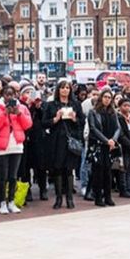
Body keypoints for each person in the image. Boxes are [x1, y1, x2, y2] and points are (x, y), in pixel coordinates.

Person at [0, 85, 32, 214]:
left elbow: (28, 124)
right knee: (3, 176)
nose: (9, 97)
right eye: (6, 94)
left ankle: (11, 201)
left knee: (13, 176)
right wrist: (4, 113)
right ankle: (2, 202)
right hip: (2, 147)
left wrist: (19, 114)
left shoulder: (22, 108)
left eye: (12, 94)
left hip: (16, 145)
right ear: (2, 95)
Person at [43, 79, 83, 209]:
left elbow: (82, 121)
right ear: (58, 90)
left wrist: (74, 118)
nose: (65, 90)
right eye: (62, 88)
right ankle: (59, 198)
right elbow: (44, 122)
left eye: (67, 88)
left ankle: (70, 198)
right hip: (56, 140)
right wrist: (55, 119)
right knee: (58, 169)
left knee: (69, 169)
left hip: (71, 140)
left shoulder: (75, 104)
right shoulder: (51, 105)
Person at [87, 88, 120, 207]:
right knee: (98, 172)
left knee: (108, 172)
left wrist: (113, 140)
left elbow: (118, 128)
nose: (107, 100)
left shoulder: (113, 112)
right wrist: (106, 141)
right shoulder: (93, 112)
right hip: (98, 145)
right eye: (105, 97)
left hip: (110, 145)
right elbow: (93, 128)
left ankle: (108, 196)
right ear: (101, 98)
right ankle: (98, 197)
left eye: (109, 97)